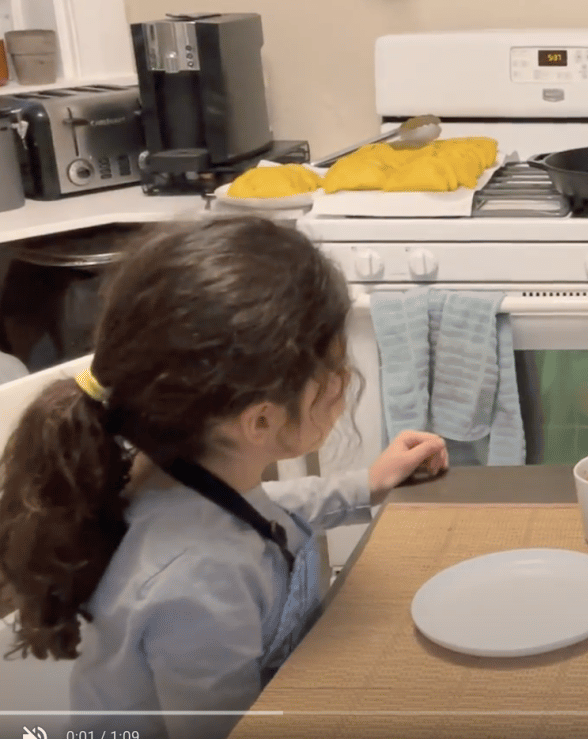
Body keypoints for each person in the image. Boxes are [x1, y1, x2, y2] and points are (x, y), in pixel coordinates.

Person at [0, 216, 449, 739]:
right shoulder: (202, 581)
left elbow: (265, 508)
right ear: (260, 420)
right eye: (334, 367)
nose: (346, 381)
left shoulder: (171, 472)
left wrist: (366, 483)